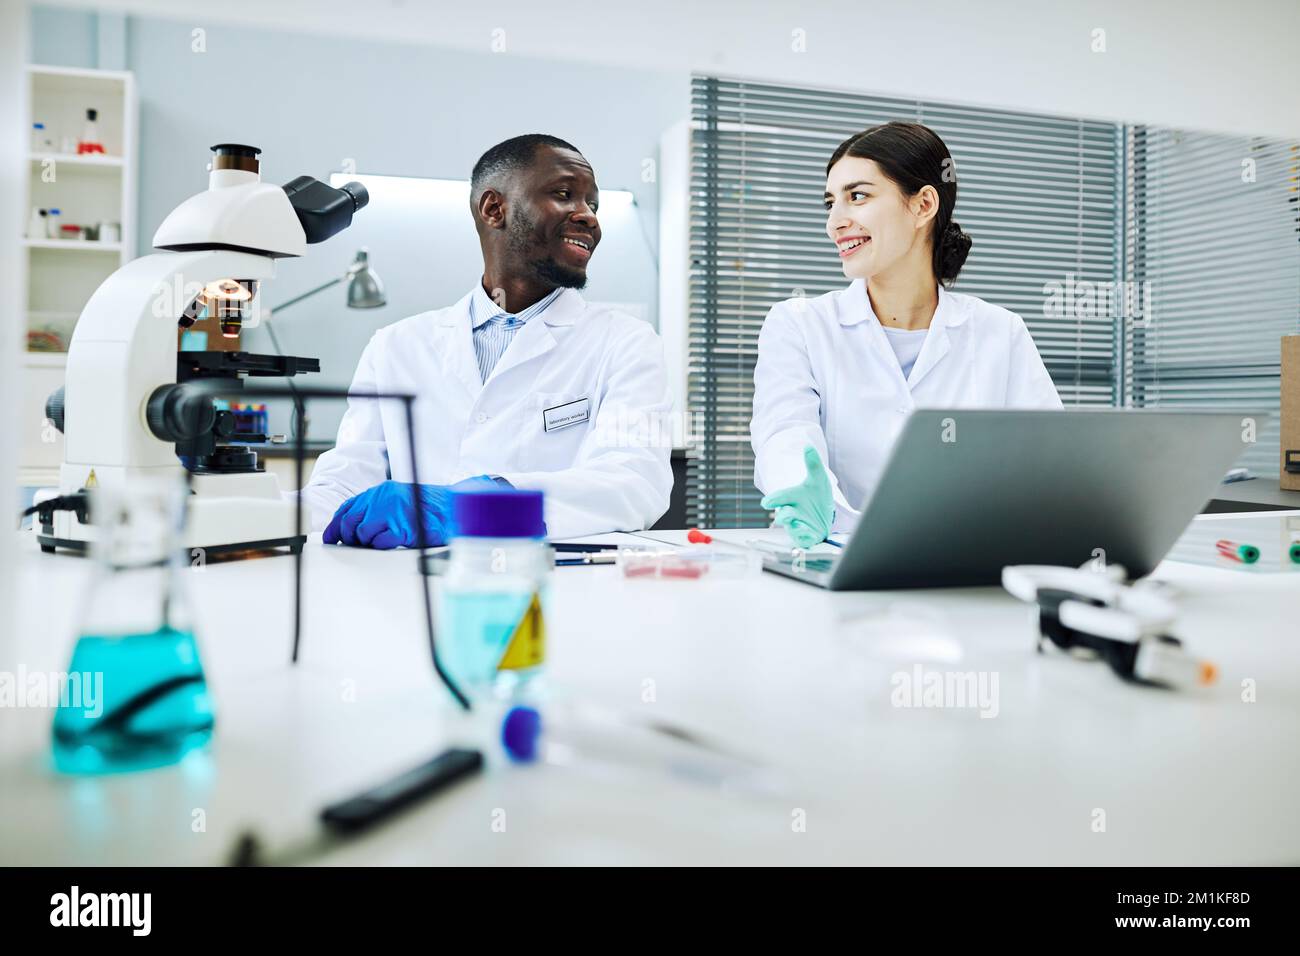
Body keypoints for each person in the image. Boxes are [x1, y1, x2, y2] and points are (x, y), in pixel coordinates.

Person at [301, 134, 672, 547]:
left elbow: (636, 481)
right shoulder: (395, 346)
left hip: (562, 586)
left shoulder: (625, 343)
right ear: (494, 209)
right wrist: (251, 516)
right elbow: (343, 484)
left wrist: (471, 506)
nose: (588, 217)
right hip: (413, 592)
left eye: (593, 204)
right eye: (565, 195)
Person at [750, 121, 1062, 548]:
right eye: (830, 203)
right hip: (827, 553)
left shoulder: (998, 332)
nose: (835, 223)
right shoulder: (800, 324)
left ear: (923, 205)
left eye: (857, 196)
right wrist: (802, 484)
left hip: (957, 563)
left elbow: (1048, 462)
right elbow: (784, 431)